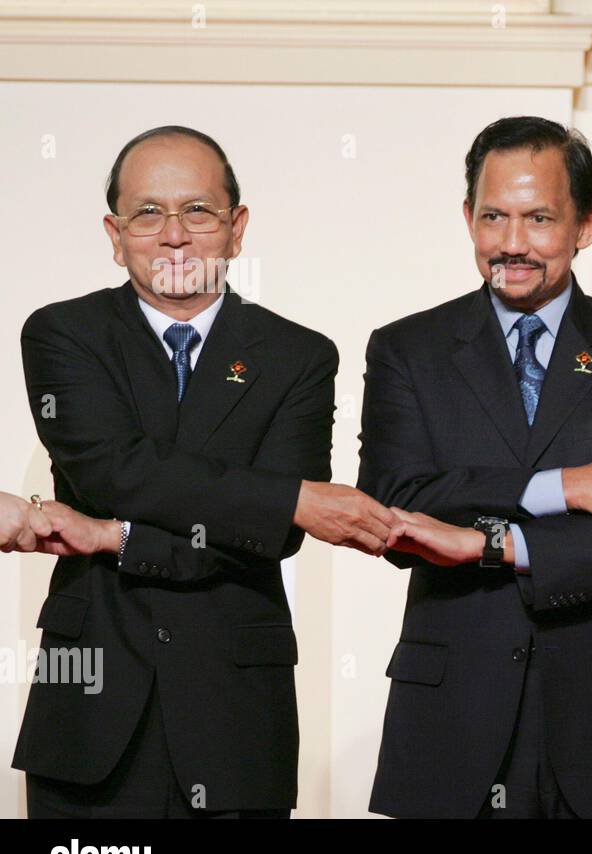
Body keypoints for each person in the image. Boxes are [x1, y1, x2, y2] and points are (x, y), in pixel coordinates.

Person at [15, 125, 395, 818]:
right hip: (93, 708)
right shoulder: (63, 334)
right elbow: (113, 473)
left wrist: (114, 538)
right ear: (114, 231)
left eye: (198, 211)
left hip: (236, 715)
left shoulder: (299, 356)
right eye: (147, 214)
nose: (174, 235)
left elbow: (273, 536)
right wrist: (282, 499)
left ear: (236, 226)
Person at [358, 116, 592, 818]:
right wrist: (563, 488)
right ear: (468, 218)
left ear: (588, 224)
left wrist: (492, 540)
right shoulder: (406, 350)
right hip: (453, 722)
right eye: (494, 217)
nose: (512, 243)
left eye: (540, 218)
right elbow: (397, 502)